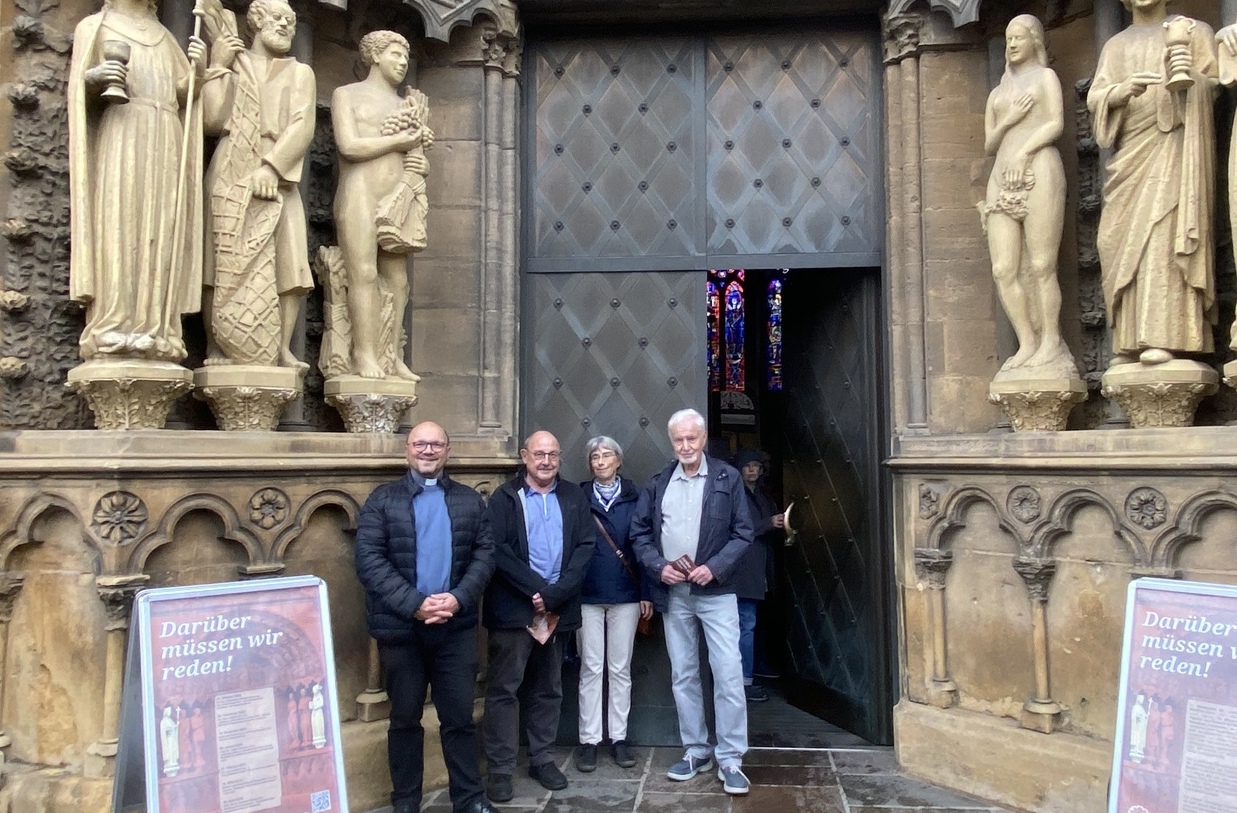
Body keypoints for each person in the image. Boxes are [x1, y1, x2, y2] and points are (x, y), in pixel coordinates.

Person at [354, 421, 498, 813]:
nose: (429, 450)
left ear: (448, 451)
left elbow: (485, 557)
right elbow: (369, 562)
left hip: (454, 630)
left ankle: (469, 800)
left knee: (459, 721)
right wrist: (414, 603)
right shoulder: (382, 501)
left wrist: (457, 599)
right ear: (408, 450)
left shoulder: (470, 501)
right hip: (401, 630)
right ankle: (405, 801)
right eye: (421, 444)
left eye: (436, 444)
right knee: (404, 721)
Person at [68, 0, 208, 362]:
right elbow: (78, 93)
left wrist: (199, 71)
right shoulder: (95, 27)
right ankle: (113, 320)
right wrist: (94, 78)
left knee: (162, 229)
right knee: (120, 224)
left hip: (166, 137)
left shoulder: (165, 37)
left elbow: (186, 96)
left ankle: (158, 326)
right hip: (123, 130)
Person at [1087, 0, 1217, 367]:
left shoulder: (1194, 31)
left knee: (1164, 235)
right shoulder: (1116, 45)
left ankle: (1166, 336)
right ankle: (1128, 340)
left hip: (1176, 149)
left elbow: (1218, 87)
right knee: (1116, 239)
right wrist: (1120, 91)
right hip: (1131, 156)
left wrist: (1190, 76)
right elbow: (1097, 97)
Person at [631, 409, 754, 796]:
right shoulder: (658, 482)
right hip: (675, 594)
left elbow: (743, 532)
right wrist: (658, 567)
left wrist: (714, 568)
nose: (685, 446)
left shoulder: (726, 477)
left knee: (729, 673)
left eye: (692, 439)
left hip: (717, 593)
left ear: (703, 439)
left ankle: (731, 757)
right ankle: (696, 750)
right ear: (672, 442)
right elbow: (640, 534)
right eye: (678, 440)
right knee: (683, 674)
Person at [200, 0, 315, 368]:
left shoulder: (300, 72)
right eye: (277, 18)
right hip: (232, 164)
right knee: (218, 259)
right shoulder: (234, 61)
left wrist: (271, 167)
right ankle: (216, 345)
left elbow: (303, 125)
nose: (285, 26)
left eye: (292, 22)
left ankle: (280, 347)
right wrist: (217, 65)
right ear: (256, 22)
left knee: (290, 262)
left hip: (279, 172)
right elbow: (212, 121)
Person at [482, 431, 594, 801]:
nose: (546, 461)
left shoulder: (574, 497)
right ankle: (500, 768)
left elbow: (584, 548)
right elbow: (497, 550)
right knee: (504, 689)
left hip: (557, 611)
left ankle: (542, 758)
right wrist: (536, 591)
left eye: (553, 455)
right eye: (539, 454)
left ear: (560, 458)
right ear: (524, 456)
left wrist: (554, 595)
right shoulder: (504, 498)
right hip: (515, 609)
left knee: (549, 688)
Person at [331, 30, 430, 380]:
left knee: (399, 281)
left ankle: (392, 353)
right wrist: (399, 140)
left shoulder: (408, 105)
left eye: (405, 57)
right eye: (395, 54)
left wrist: (420, 162)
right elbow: (349, 146)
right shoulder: (347, 95)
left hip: (398, 197)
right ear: (374, 56)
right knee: (363, 273)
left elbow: (418, 159)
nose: (402, 62)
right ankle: (364, 355)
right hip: (359, 191)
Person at [980, 14, 1070, 372]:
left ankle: (1052, 340)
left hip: (1040, 171)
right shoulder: (998, 93)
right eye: (1008, 38)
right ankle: (1027, 341)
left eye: (1019, 37)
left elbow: (1056, 123)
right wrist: (1010, 118)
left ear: (1035, 40)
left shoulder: (1045, 77)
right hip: (1001, 176)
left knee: (1042, 264)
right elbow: (989, 143)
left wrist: (1025, 150)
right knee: (1004, 269)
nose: (1012, 44)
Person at [574, 436, 652, 773]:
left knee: (620, 669)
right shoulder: (578, 498)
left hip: (626, 595)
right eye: (595, 457)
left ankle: (618, 738)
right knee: (591, 669)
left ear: (619, 461)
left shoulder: (636, 499)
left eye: (607, 456)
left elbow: (646, 546)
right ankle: (589, 739)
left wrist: (648, 591)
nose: (601, 461)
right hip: (587, 596)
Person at [731, 449, 784, 703]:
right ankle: (744, 680)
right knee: (745, 624)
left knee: (752, 623)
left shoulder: (761, 496)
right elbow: (739, 529)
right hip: (742, 569)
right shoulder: (736, 494)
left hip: (758, 567)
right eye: (747, 466)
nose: (752, 470)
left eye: (756, 466)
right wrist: (768, 523)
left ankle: (754, 669)